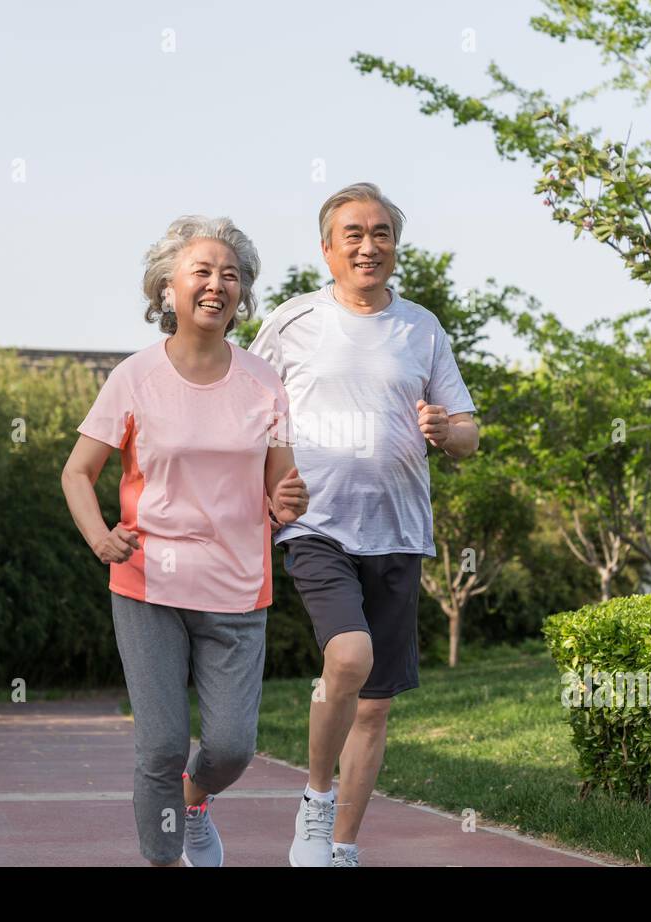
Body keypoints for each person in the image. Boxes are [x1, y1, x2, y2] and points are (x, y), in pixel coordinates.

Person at [61, 215, 307, 867]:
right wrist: (98, 536)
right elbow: (77, 472)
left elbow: (282, 489)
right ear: (167, 288)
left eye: (230, 274)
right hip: (148, 582)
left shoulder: (264, 383)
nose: (216, 284)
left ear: (243, 293)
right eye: (201, 271)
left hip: (236, 586)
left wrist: (288, 500)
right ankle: (165, 858)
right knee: (162, 743)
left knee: (231, 745)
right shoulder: (134, 378)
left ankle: (195, 800)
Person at [249, 183, 480, 867]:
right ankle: (316, 802)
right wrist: (264, 488)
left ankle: (343, 846)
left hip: (399, 529)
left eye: (380, 232)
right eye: (353, 233)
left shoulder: (422, 327)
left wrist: (448, 429)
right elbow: (246, 410)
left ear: (395, 246)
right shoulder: (293, 322)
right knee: (349, 657)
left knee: (375, 706)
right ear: (327, 248)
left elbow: (468, 431)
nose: (368, 244)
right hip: (316, 523)